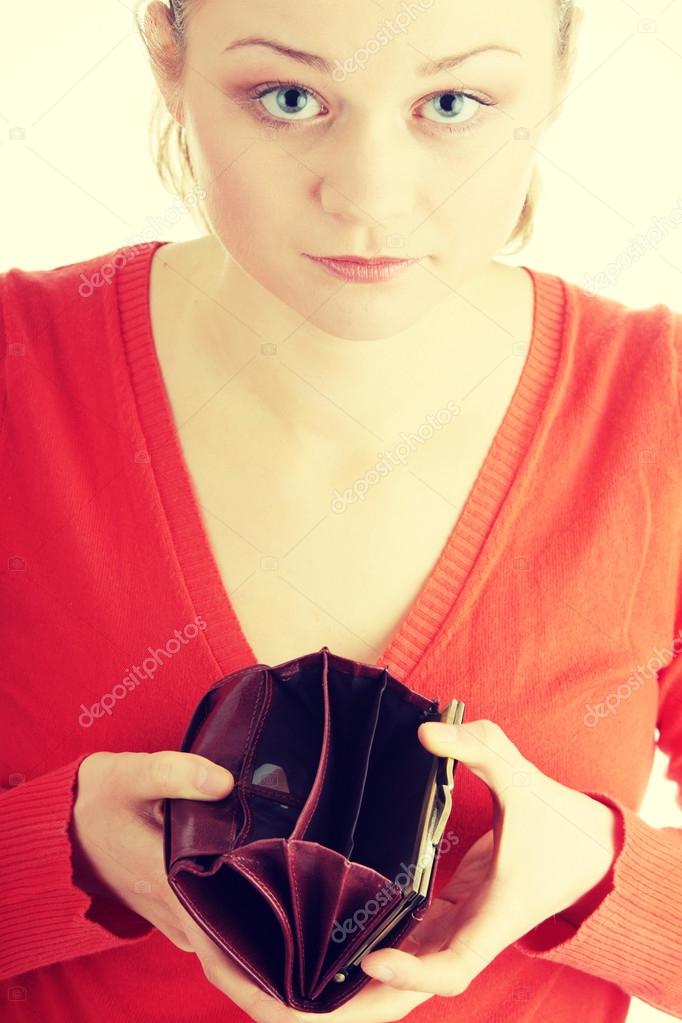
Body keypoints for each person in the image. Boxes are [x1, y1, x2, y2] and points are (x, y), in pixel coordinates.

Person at [1, 1, 681, 1021]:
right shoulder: (18, 374)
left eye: (452, 103)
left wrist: (600, 878)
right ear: (167, 55)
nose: (368, 198)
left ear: (554, 76)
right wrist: (58, 855)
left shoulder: (659, 406)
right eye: (287, 97)